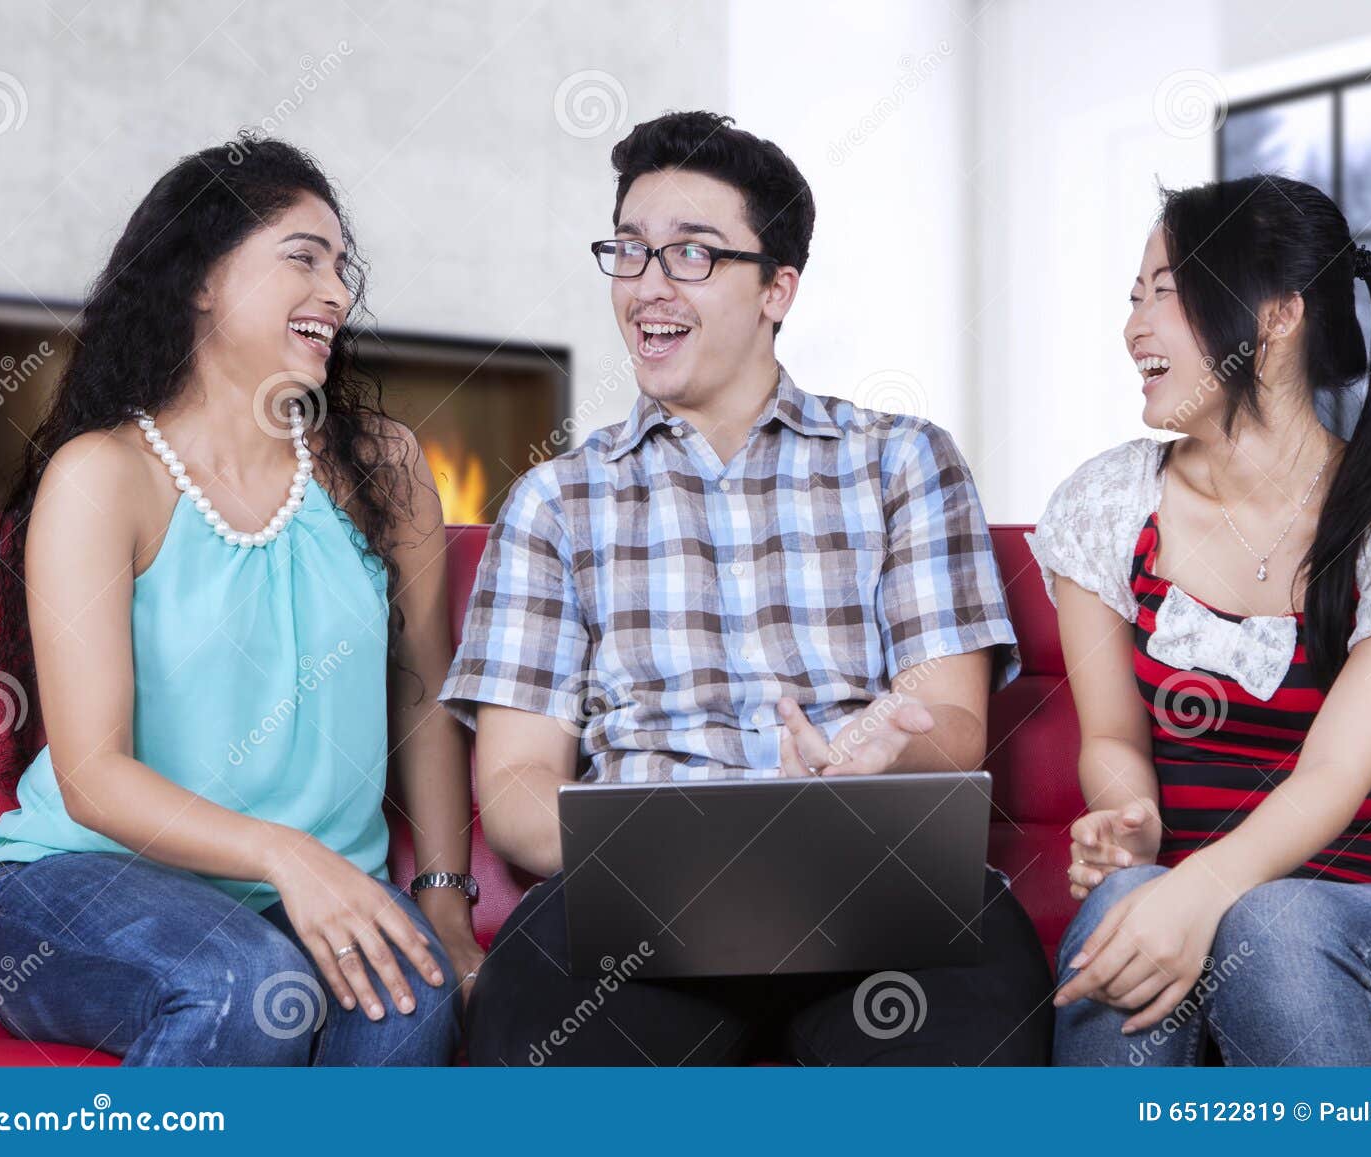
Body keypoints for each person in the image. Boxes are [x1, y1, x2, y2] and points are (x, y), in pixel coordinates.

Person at [442, 111, 1053, 1066]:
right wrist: (681, 856)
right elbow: (518, 786)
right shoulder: (554, 501)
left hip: (871, 877)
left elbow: (952, 721)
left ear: (778, 288)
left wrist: (868, 760)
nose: (649, 284)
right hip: (632, 907)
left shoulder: (902, 462)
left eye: (691, 255)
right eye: (631, 251)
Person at [0, 135, 481, 1066]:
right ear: (201, 280)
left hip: (308, 899)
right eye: (303, 257)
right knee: (245, 983)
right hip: (77, 887)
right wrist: (286, 853)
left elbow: (421, 695)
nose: (336, 291)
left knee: (415, 1002)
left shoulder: (387, 468)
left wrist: (444, 901)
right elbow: (91, 775)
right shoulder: (105, 476)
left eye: (342, 267)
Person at [1029, 174, 1371, 1065]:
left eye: (1166, 293)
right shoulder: (1107, 506)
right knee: (1115, 912)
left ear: (1278, 316)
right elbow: (1110, 735)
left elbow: (1332, 774)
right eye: (1132, 297)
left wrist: (1200, 889)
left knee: (1271, 920)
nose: (1134, 326)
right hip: (1199, 900)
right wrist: (1130, 816)